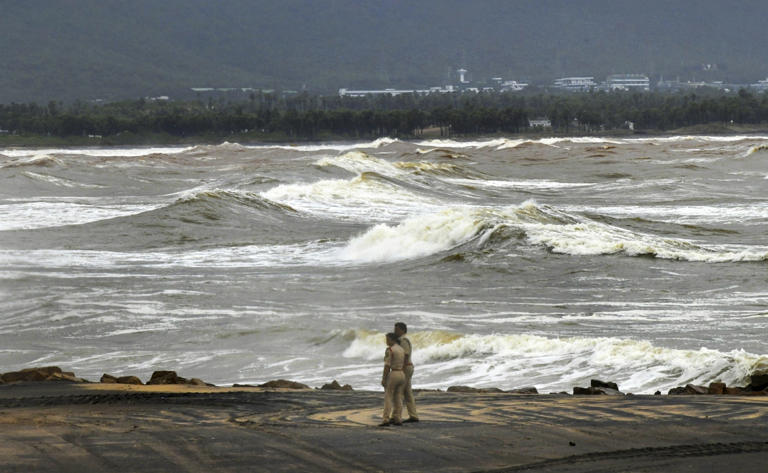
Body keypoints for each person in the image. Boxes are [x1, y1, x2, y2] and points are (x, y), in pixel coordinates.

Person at [394, 322, 419, 423]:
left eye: (397, 329)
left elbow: (406, 355)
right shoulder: (402, 340)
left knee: (399, 391)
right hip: (408, 367)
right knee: (408, 392)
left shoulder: (403, 340)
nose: (395, 331)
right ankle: (413, 415)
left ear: (403, 330)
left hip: (406, 367)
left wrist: (401, 368)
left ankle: (395, 416)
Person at [380, 332, 405, 426]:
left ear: (392, 339)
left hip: (393, 373)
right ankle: (398, 418)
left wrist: (384, 378)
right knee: (398, 397)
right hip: (402, 373)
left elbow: (387, 366)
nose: (386, 341)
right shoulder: (401, 349)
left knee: (388, 397)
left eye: (387, 339)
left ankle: (386, 419)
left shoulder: (390, 350)